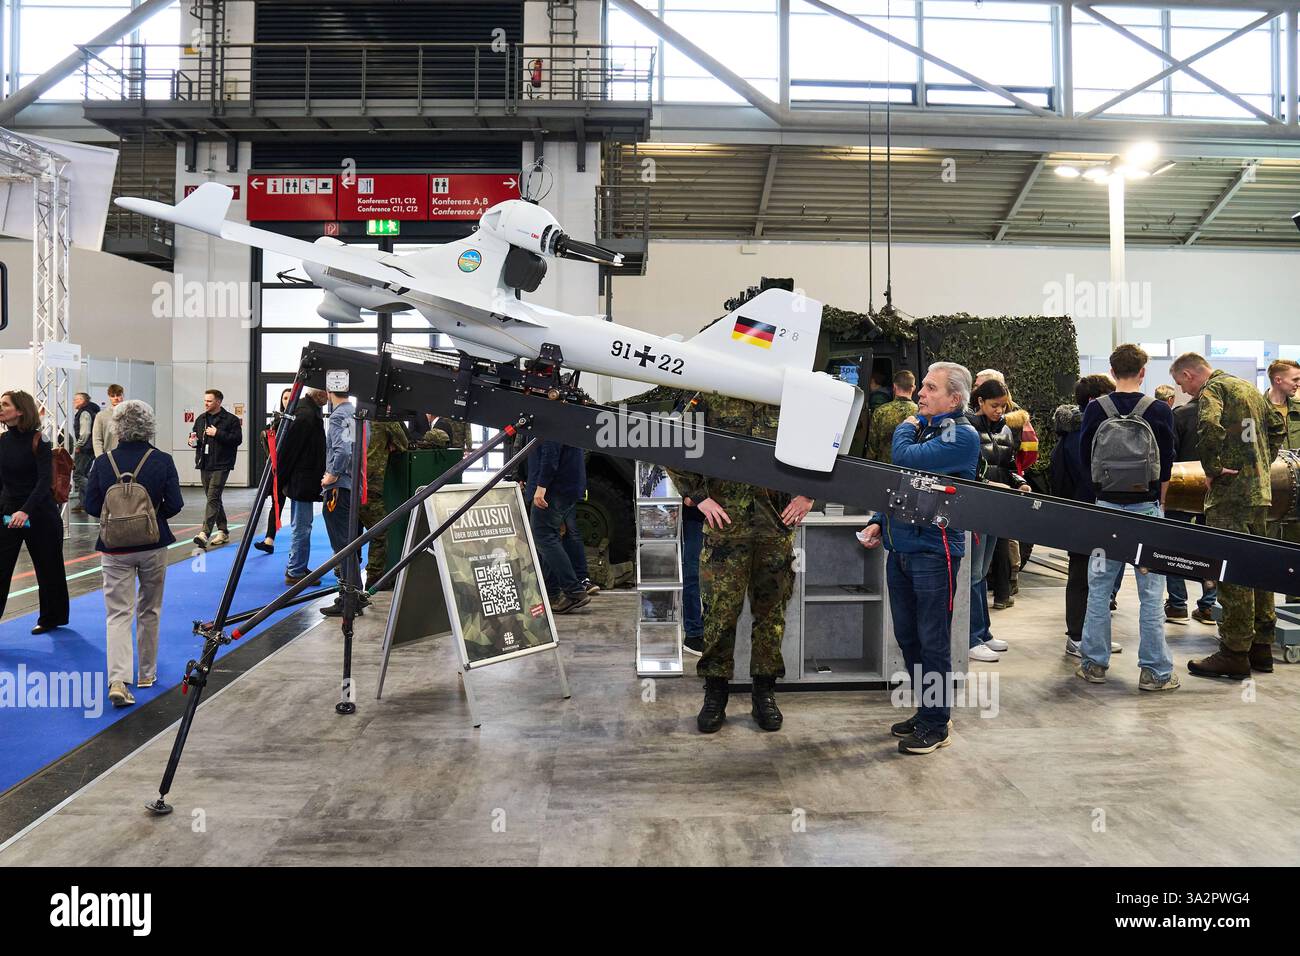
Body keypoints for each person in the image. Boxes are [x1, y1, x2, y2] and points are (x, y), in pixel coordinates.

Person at [669, 395, 814, 735]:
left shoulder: (791, 400)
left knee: (771, 616)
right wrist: (698, 496)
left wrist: (808, 493)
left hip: (774, 529)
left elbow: (822, 448)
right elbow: (673, 442)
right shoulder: (710, 397)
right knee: (719, 615)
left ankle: (764, 694)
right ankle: (715, 693)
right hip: (724, 530)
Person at [860, 362, 980, 755]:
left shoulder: (959, 436)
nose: (920, 394)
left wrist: (906, 425)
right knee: (909, 636)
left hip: (933, 551)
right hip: (902, 548)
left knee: (933, 641)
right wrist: (880, 520)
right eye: (922, 387)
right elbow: (903, 487)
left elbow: (904, 459)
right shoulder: (930, 430)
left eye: (930, 388)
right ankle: (927, 710)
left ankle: (936, 722)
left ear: (954, 399)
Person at [1172, 353, 1285, 679]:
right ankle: (1261, 649)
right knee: (1259, 569)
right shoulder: (1248, 388)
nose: (1187, 392)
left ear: (1191, 374)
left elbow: (1207, 426)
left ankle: (1234, 653)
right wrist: (1261, 461)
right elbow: (1276, 426)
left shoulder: (1213, 390)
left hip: (1230, 495)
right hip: (1259, 494)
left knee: (1232, 571)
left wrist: (1212, 467)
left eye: (1184, 385)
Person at [1077, 344, 1178, 692]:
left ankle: (1093, 664)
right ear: (1143, 371)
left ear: (1111, 370)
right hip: (1146, 510)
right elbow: (1166, 464)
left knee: (1099, 590)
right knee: (1152, 594)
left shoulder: (1095, 409)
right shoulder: (1159, 410)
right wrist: (1159, 503)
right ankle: (1155, 672)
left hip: (1105, 510)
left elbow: (1084, 459)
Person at [83, 400, 183, 708]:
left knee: (117, 614)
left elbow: (90, 506)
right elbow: (175, 504)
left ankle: (118, 680)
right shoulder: (162, 460)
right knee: (149, 610)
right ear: (149, 426)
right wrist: (151, 518)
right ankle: (147, 674)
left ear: (117, 427)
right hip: (152, 546)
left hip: (114, 549)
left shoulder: (103, 463)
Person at [1052, 374, 1126, 657]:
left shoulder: (1084, 433)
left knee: (1097, 578)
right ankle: (1078, 636)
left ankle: (1092, 636)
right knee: (1084, 577)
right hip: (1085, 515)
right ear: (1096, 401)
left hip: (1089, 515)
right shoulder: (1079, 437)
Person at [965, 378, 1027, 662]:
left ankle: (982, 632)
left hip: (997, 507)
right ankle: (971, 636)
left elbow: (1008, 466)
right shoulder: (966, 429)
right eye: (994, 405)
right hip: (976, 506)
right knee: (974, 573)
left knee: (981, 572)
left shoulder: (1004, 429)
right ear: (979, 402)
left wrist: (1018, 482)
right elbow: (973, 471)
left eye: (1003, 406)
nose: (999, 411)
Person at [0, 390, 70, 633]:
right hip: (10, 513)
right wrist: (9, 511)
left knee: (48, 566)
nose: (1, 408)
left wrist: (25, 511)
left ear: (20, 411)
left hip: (39, 513)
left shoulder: (40, 440)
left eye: (5, 404)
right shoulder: (2, 441)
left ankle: (51, 617)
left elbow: (43, 482)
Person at [1165, 389, 1219, 625]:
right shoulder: (1223, 418)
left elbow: (1169, 453)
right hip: (1214, 491)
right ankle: (1208, 606)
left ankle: (1177, 605)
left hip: (1181, 490)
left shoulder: (1180, 414)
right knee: (1211, 548)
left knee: (1173, 548)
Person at [526, 441, 591, 613]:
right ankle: (553, 593)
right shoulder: (566, 415)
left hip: (554, 486)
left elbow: (550, 450)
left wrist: (541, 486)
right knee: (550, 538)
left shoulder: (548, 415)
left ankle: (573, 591)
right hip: (566, 484)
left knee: (544, 536)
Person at [276, 388, 327, 586]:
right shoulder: (306, 415)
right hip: (301, 480)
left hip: (303, 479)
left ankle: (297, 565)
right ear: (318, 393)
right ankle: (295, 570)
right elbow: (289, 452)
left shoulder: (308, 411)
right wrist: (280, 480)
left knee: (302, 526)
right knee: (302, 527)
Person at [319, 390, 363, 616]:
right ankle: (354, 596)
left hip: (339, 487)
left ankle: (350, 599)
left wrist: (333, 474)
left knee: (343, 546)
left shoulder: (338, 416)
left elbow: (343, 450)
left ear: (328, 391)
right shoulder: (356, 414)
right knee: (349, 544)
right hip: (353, 485)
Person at [357, 417, 409, 594]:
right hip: (370, 486)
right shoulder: (385, 420)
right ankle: (374, 578)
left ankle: (346, 575)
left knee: (351, 534)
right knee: (379, 531)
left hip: (348, 483)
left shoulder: (354, 416)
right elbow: (403, 444)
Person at [1264, 358, 1300, 604]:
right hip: (1266, 497)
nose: (1298, 384)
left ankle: (1296, 612)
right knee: (1262, 560)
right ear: (1279, 380)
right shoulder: (1255, 409)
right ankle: (1262, 618)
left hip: (1297, 499)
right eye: (1295, 379)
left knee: (1296, 562)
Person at [189, 388, 242, 548]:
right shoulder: (200, 419)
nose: (206, 403)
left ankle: (204, 533)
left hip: (222, 464)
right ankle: (223, 531)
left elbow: (237, 439)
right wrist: (192, 442)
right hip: (204, 463)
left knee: (212, 497)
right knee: (214, 498)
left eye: (209, 401)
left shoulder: (231, 420)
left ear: (218, 402)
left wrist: (217, 433)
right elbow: (195, 436)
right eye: (205, 400)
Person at [254, 388, 294, 555]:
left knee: (297, 508)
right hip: (278, 470)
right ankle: (269, 540)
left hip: (295, 469)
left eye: (289, 397)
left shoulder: (299, 419)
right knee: (276, 504)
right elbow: (266, 436)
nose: (286, 400)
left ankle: (297, 543)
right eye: (284, 397)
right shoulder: (276, 421)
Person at [865, 370, 917, 464]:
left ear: (894, 387)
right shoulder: (920, 413)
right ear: (913, 388)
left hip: (885, 468)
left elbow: (873, 446)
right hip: (909, 469)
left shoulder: (881, 411)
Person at [70, 391, 100, 513]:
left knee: (78, 475)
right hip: (89, 448)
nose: (74, 402)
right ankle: (83, 503)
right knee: (83, 474)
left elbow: (85, 432)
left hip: (85, 448)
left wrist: (78, 445)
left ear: (83, 401)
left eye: (77, 399)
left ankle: (95, 497)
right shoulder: (91, 410)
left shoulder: (84, 413)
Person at [92, 384, 125, 458]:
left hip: (128, 456)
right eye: (113, 396)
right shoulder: (101, 416)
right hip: (109, 457)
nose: (116, 398)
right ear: (109, 397)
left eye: (118, 395)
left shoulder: (130, 414)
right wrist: (100, 458)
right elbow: (97, 439)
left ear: (123, 396)